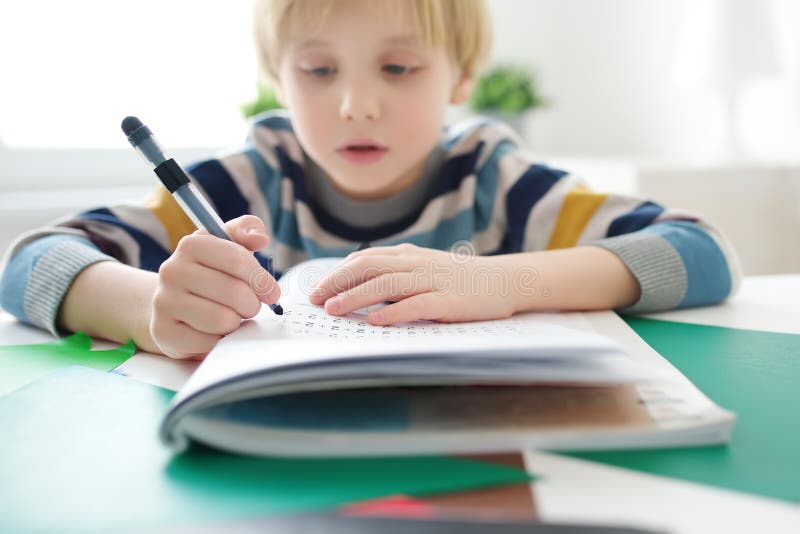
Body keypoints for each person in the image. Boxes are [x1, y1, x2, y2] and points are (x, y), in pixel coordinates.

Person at [0, 0, 740, 360]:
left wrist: (502, 283)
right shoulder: (242, 184)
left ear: (463, 75)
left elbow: (701, 252)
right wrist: (146, 311)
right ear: (277, 79)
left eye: (398, 67)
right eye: (319, 70)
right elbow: (30, 262)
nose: (356, 103)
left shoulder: (495, 182)